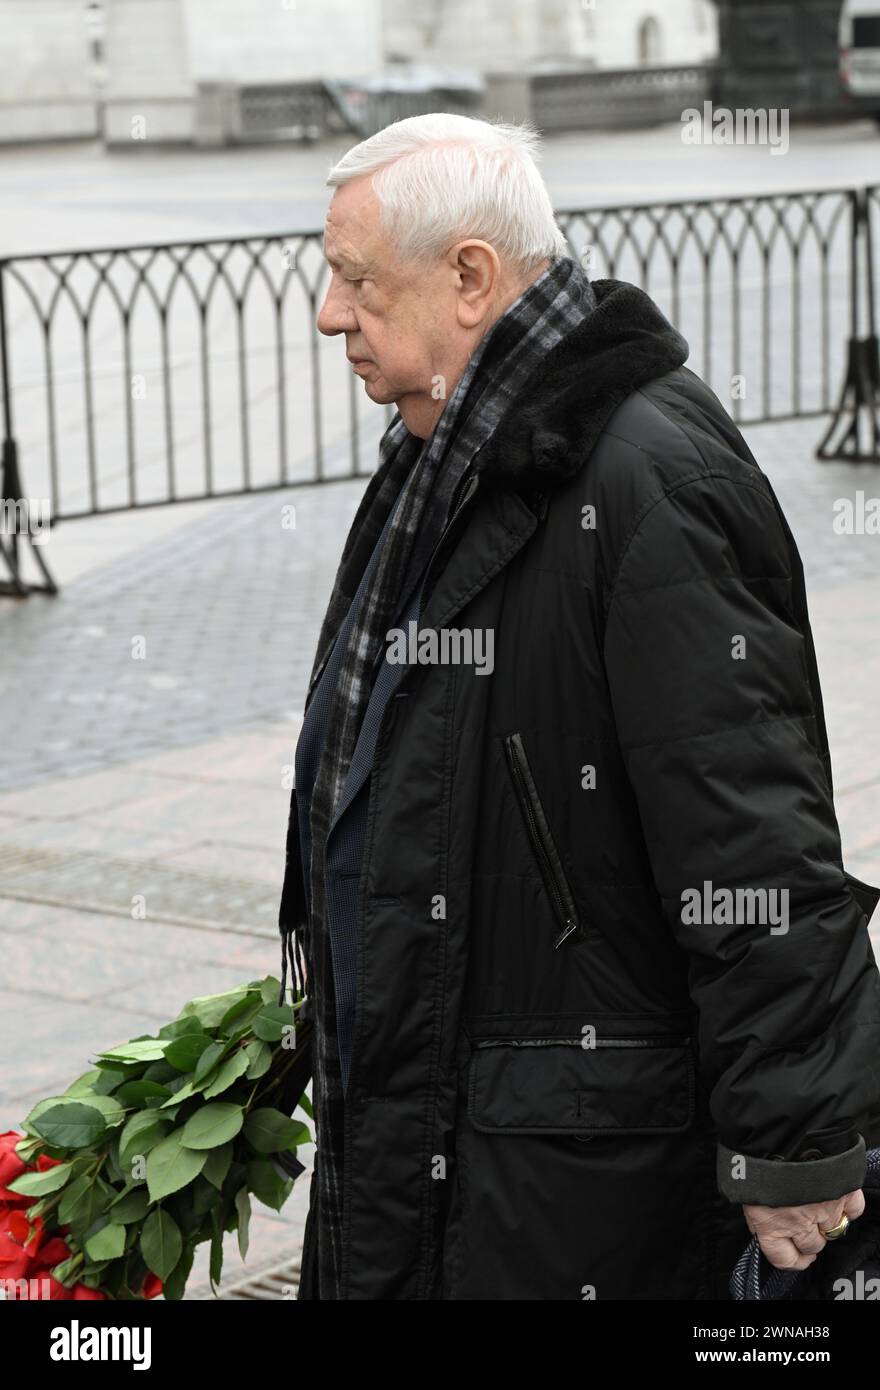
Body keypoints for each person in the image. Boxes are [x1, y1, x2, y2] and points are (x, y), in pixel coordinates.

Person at [276, 112, 880, 1300]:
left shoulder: (646, 477)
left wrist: (797, 1141)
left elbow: (749, 827)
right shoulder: (443, 451)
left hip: (566, 1169)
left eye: (355, 281)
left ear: (468, 278)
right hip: (455, 1110)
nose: (329, 314)